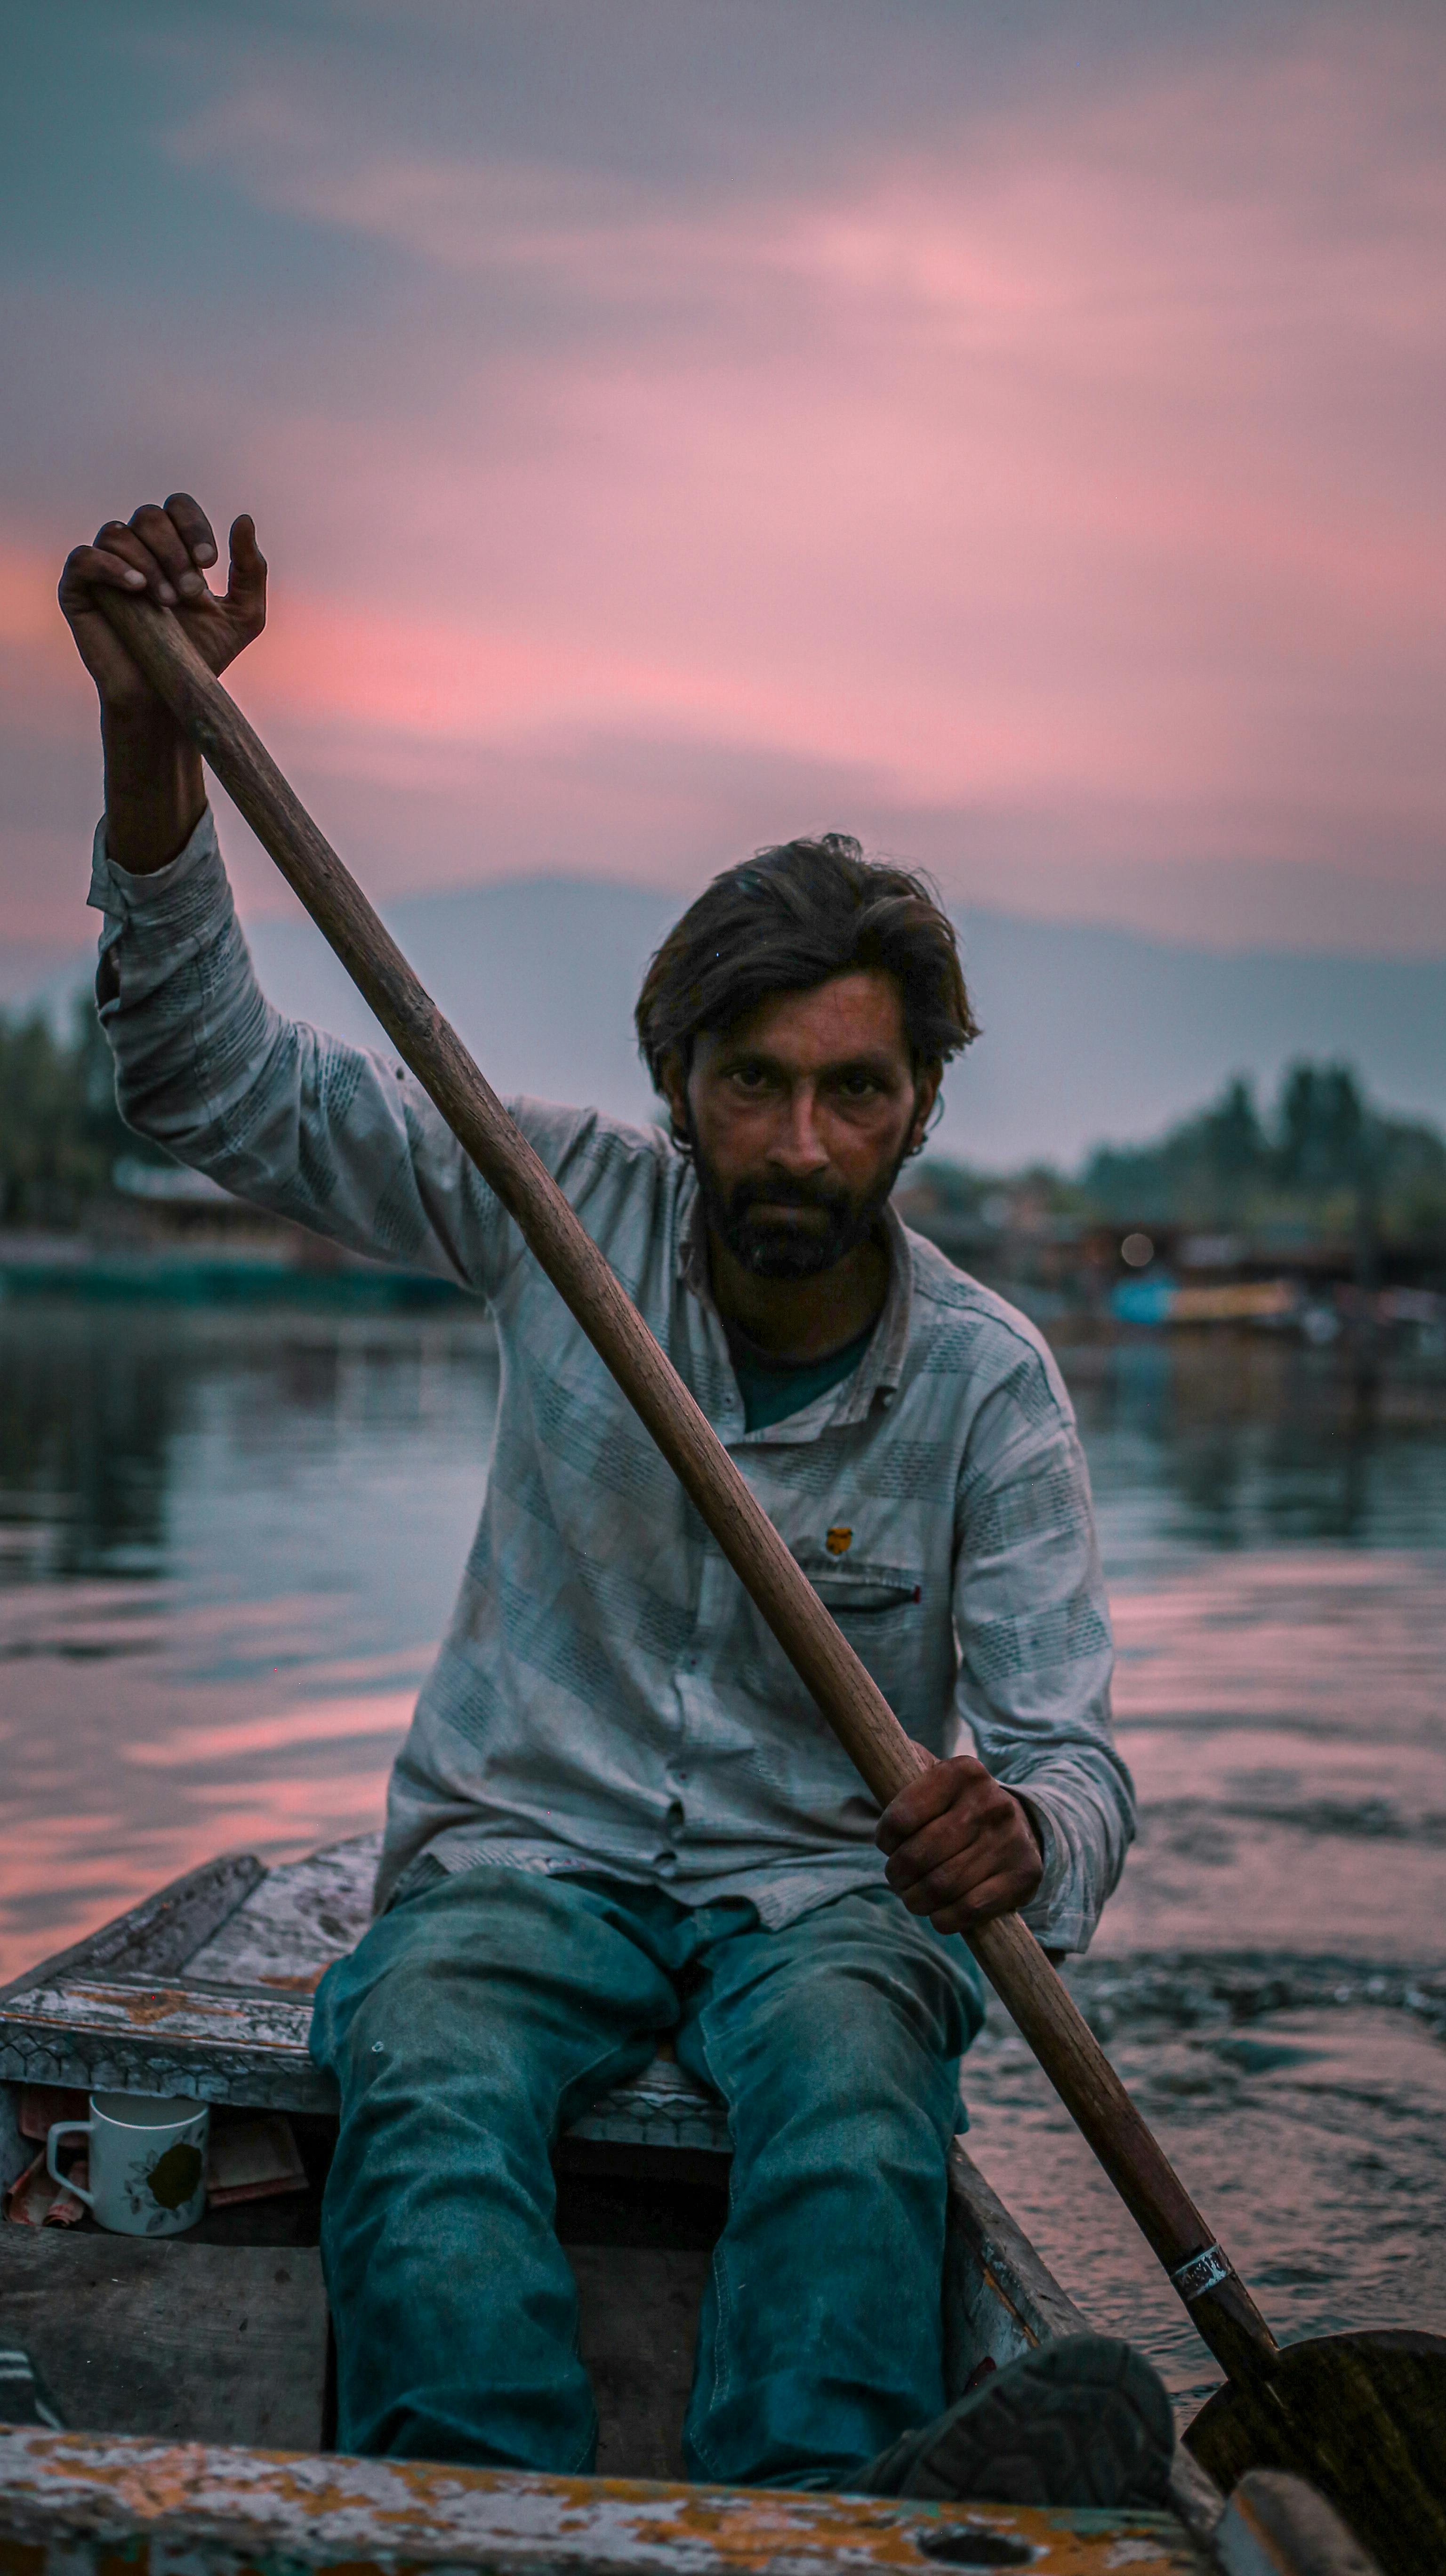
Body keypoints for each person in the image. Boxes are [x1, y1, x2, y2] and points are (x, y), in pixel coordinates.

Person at [58, 497, 1171, 2506]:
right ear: (679, 1082)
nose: (801, 1143)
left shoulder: (994, 1390)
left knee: (855, 2085)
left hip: (821, 1906)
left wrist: (1019, 1836)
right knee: (426, 2056)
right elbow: (208, 1081)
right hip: (524, 1863)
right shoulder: (559, 1206)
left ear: (921, 1108)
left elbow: (1079, 1779)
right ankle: (465, 2518)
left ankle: (815, 2531)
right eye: (754, 1082)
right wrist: (157, 743)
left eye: (854, 1091)